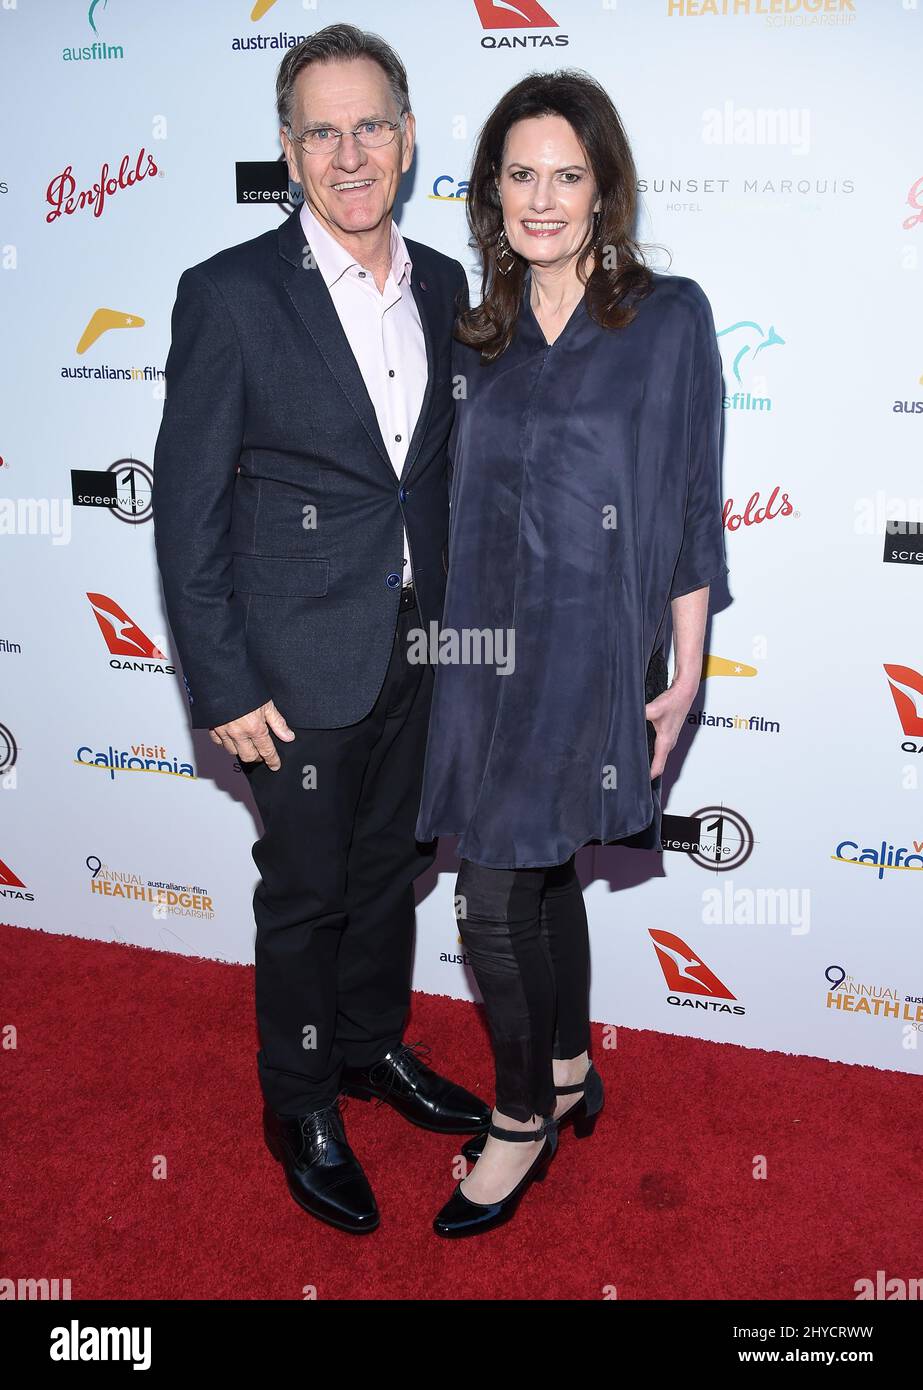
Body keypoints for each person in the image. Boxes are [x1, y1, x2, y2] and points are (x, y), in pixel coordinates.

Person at [152, 24, 489, 1237]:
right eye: (321, 132)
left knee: (389, 874)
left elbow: (438, 478)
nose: (351, 154)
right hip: (289, 672)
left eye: (371, 126)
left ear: (407, 136)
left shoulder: (446, 283)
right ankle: (298, 1101)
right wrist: (221, 680)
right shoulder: (231, 295)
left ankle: (370, 1049)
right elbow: (184, 512)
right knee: (303, 894)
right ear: (288, 152)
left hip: (419, 649)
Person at [414, 70, 729, 1238]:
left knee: (493, 899)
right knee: (538, 875)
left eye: (566, 174)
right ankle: (561, 1069)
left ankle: (515, 1121)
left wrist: (684, 672)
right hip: (479, 654)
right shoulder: (474, 333)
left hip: (594, 650)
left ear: (603, 191)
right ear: (489, 191)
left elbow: (692, 503)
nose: (541, 197)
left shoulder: (665, 316)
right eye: (519, 173)